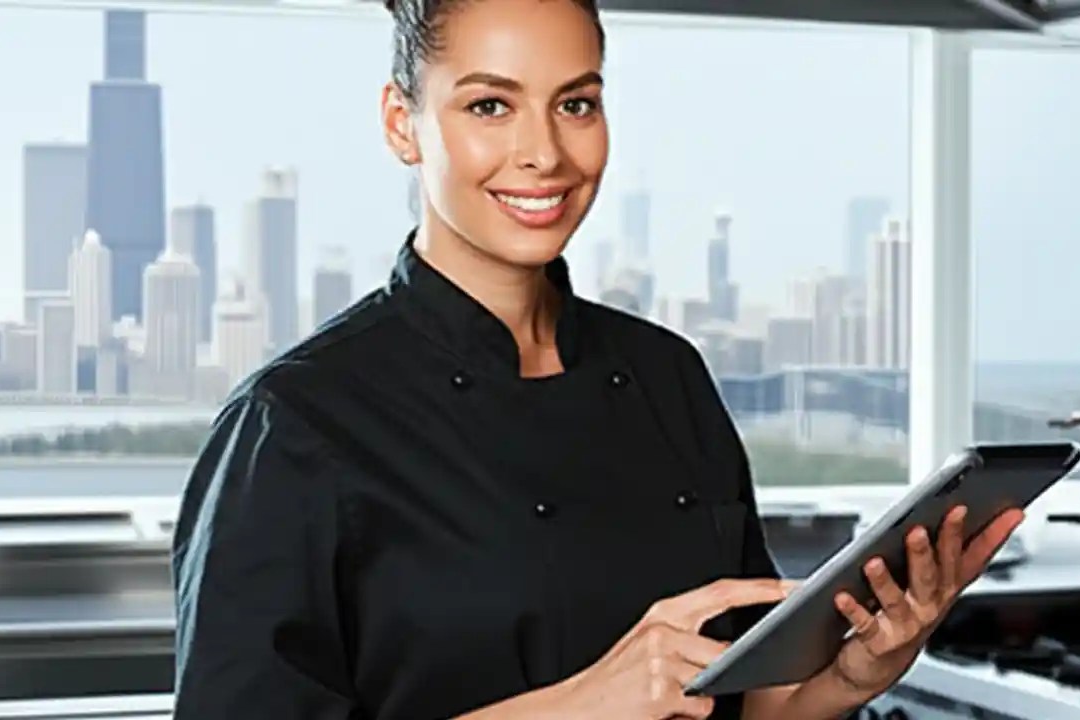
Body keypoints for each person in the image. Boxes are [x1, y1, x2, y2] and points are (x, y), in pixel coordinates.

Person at [170, 0, 1025, 716]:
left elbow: (737, 697)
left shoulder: (666, 376)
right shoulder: (295, 423)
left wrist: (852, 673)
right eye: (489, 106)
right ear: (404, 124)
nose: (546, 153)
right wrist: (581, 704)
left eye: (576, 103)